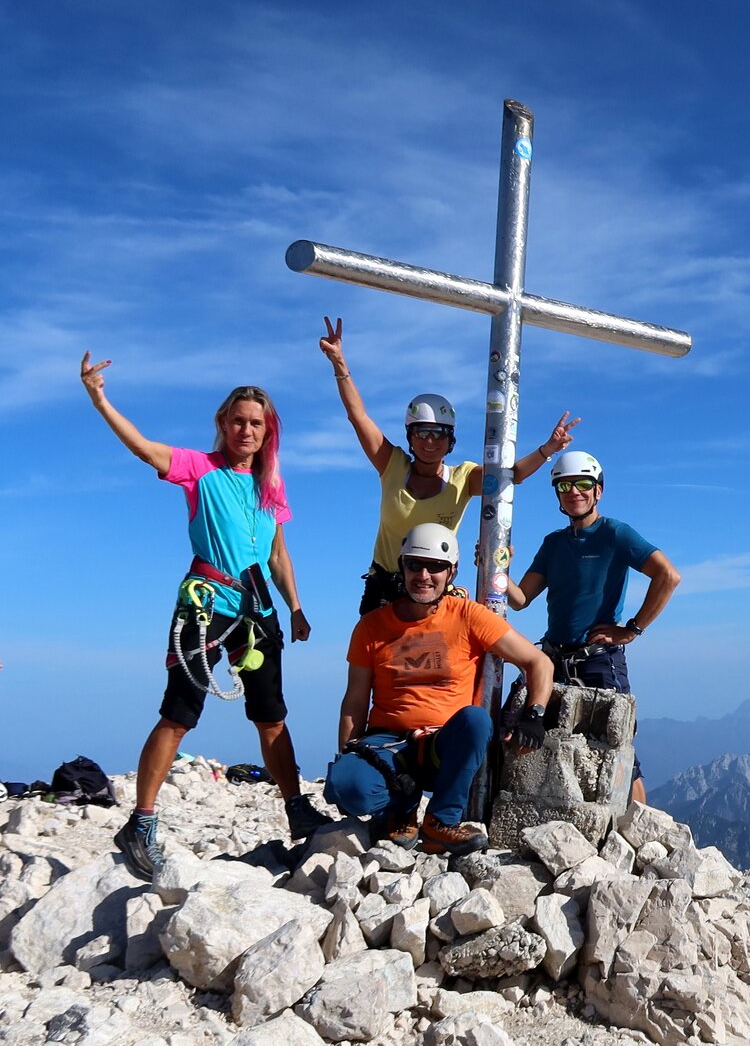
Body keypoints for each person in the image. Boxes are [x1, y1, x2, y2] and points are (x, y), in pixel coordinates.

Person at [81, 352, 317, 878]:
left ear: (267, 429)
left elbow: (278, 554)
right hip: (205, 603)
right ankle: (140, 823)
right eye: (238, 420)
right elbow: (144, 448)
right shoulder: (199, 468)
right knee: (180, 712)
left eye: (256, 422)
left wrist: (296, 607)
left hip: (257, 610)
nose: (246, 429)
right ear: (223, 423)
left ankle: (296, 808)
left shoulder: (271, 485)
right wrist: (100, 398)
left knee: (271, 714)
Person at [318, 315, 579, 614]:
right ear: (410, 437)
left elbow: (512, 476)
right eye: (422, 433)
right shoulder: (392, 466)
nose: (430, 442)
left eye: (439, 434)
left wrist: (547, 449)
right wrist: (339, 363)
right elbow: (358, 417)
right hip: (385, 592)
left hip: (433, 594)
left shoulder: (462, 479)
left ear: (450, 440)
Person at [326, 523, 555, 856]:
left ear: (451, 572)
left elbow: (538, 662)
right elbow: (355, 700)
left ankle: (440, 822)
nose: (424, 575)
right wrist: (350, 753)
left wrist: (534, 714)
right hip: (389, 743)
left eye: (435, 566)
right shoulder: (372, 626)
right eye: (414, 565)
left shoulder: (469, 616)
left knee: (476, 721)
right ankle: (401, 808)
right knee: (345, 787)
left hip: (442, 744)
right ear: (402, 567)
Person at [506, 450, 680, 804]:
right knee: (524, 732)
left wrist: (631, 629)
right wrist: (499, 569)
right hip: (553, 659)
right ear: (558, 493)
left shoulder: (615, 533)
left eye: (583, 484)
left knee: (618, 750)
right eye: (565, 485)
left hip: (599, 659)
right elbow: (520, 599)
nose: (574, 492)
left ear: (598, 490)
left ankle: (636, 834)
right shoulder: (553, 544)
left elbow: (668, 576)